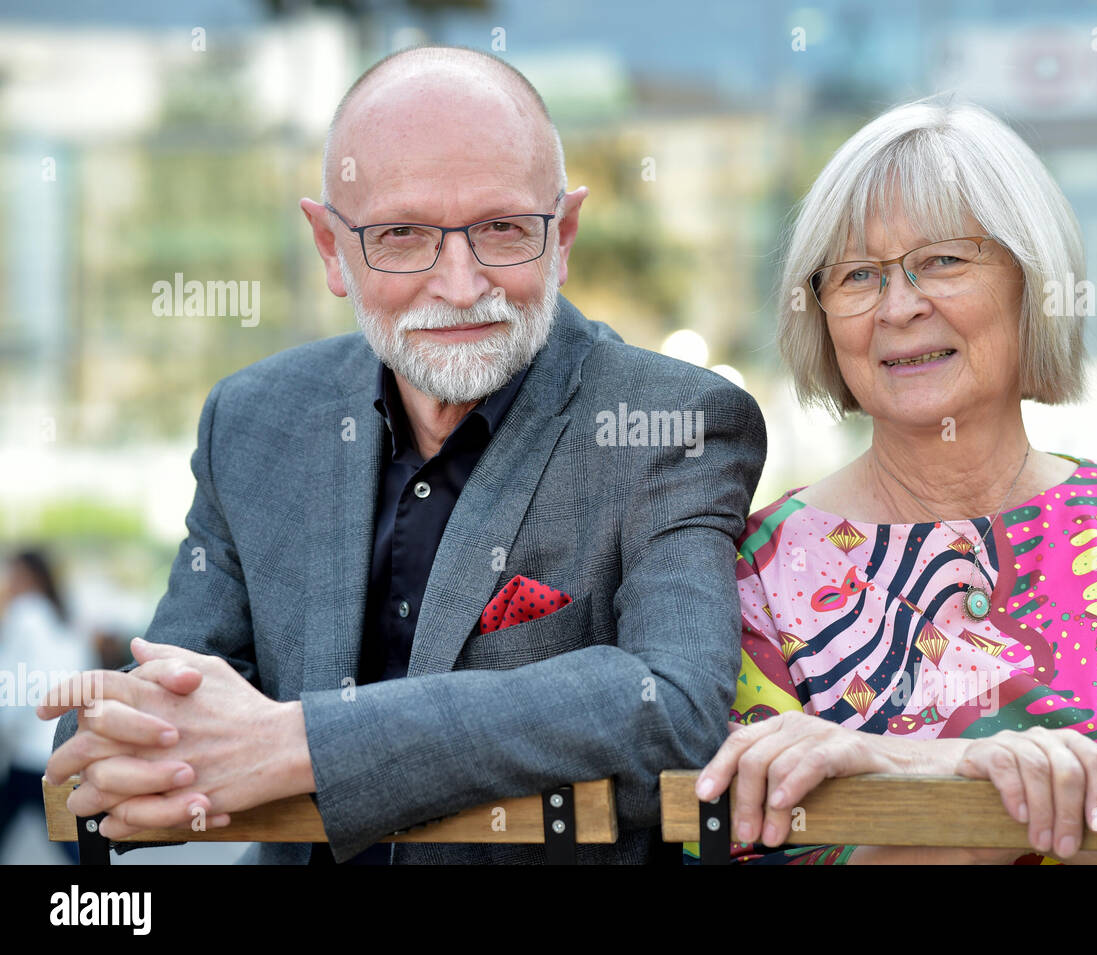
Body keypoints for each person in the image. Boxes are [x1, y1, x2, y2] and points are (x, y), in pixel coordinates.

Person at [42, 44, 766, 864]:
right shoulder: (254, 421)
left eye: (502, 228)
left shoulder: (673, 421)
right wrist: (121, 730)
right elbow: (159, 704)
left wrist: (302, 744)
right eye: (402, 234)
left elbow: (672, 711)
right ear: (328, 248)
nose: (460, 286)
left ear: (563, 234)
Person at [693, 97, 1097, 864]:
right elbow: (742, 844)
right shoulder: (751, 570)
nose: (899, 306)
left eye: (943, 260)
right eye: (859, 275)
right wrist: (1030, 799)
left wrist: (913, 765)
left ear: (1030, 281)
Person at [0, 550, 93, 862]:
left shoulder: (26, 613)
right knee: (66, 834)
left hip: (30, 751)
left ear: (26, 576)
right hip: (63, 747)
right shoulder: (67, 617)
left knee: (66, 837)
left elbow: (16, 683)